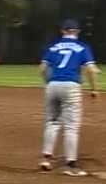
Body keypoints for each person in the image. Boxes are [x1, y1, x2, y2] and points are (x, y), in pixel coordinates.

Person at [39, 19, 99, 176]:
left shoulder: (53, 46)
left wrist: (48, 83)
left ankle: (46, 159)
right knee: (71, 126)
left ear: (63, 31)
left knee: (52, 122)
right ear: (77, 32)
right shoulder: (82, 47)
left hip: (53, 85)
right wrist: (94, 89)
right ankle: (71, 165)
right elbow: (91, 70)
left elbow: (42, 68)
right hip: (71, 86)